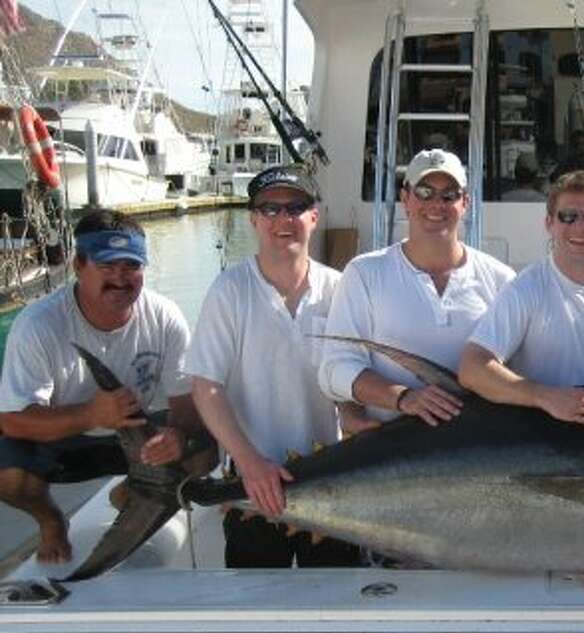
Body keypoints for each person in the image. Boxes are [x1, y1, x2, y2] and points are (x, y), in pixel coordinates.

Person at [0, 209, 210, 564]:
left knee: (205, 449)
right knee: (8, 475)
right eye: (107, 266)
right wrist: (90, 414)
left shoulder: (165, 316)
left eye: (131, 266)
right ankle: (50, 520)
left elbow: (185, 403)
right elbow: (11, 421)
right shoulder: (37, 324)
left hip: (136, 433)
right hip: (64, 438)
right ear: (78, 265)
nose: (120, 278)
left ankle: (131, 492)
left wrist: (178, 433)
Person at [186, 164, 361, 569]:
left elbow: (351, 383)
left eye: (295, 207)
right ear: (253, 219)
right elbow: (205, 385)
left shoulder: (341, 289)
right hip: (252, 482)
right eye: (269, 209)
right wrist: (249, 463)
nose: (283, 219)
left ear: (314, 217)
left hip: (330, 481)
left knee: (334, 601)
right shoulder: (230, 291)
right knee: (256, 605)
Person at [320, 148, 515, 430]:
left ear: (465, 203)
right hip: (389, 455)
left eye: (449, 195)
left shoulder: (501, 279)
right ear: (405, 199)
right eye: (425, 192)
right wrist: (403, 398)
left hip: (478, 450)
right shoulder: (364, 273)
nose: (437, 204)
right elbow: (334, 368)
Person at [459, 171, 584, 426]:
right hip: (542, 443)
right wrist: (546, 397)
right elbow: (473, 368)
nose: (580, 227)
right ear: (549, 224)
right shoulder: (526, 288)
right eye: (567, 216)